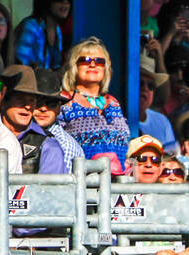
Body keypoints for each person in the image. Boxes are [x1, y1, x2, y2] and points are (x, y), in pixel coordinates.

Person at [59, 39, 131, 173]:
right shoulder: (65, 100)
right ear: (74, 66)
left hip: (116, 181)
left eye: (99, 61)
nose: (92, 64)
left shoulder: (113, 102)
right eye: (85, 60)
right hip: (82, 179)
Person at [30, 68, 83, 174]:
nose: (43, 108)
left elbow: (58, 189)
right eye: (38, 102)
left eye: (51, 103)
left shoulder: (65, 146)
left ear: (59, 108)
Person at [0, 65, 46, 174]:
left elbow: (51, 190)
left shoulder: (47, 146)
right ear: (3, 102)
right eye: (20, 99)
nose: (27, 106)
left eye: (32, 100)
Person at [138, 55, 178, 155]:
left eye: (151, 85)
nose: (145, 88)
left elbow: (170, 158)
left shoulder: (162, 121)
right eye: (140, 83)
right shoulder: (116, 118)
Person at [14, 0, 69, 71]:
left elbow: (55, 67)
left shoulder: (57, 30)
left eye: (69, 0)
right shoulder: (30, 26)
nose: (65, 2)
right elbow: (19, 66)